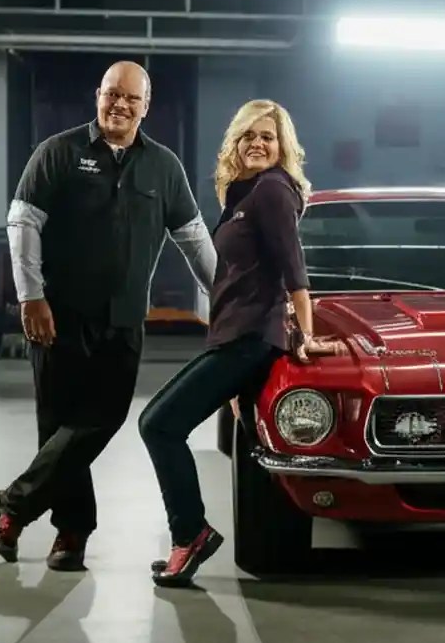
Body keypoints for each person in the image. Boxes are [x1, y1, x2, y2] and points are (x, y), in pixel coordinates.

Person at [0, 61, 217, 571]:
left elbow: (195, 239)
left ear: (146, 106)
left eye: (131, 99)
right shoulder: (59, 153)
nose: (120, 105)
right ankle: (71, 534)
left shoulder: (163, 166)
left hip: (124, 320)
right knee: (58, 425)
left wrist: (225, 297)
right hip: (57, 315)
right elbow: (22, 223)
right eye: (112, 95)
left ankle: (13, 505)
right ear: (98, 96)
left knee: (102, 418)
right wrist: (31, 296)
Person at [138, 99, 340, 587]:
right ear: (236, 141)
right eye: (249, 135)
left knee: (159, 424)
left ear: (282, 147)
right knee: (157, 423)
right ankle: (191, 533)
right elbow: (232, 282)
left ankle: (191, 535)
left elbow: (294, 269)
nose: (257, 143)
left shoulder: (272, 190)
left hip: (250, 338)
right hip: (233, 340)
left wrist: (307, 337)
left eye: (268, 137)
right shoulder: (243, 194)